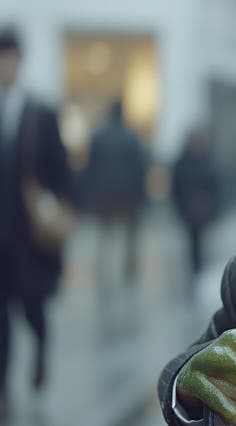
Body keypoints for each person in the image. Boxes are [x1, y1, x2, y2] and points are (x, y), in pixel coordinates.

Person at [0, 27, 76, 418]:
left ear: (19, 60)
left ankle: (42, 352)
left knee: (32, 308)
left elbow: (62, 172)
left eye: (9, 57)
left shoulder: (39, 114)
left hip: (30, 237)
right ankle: (3, 391)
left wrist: (63, 209)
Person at [85, 99, 146, 306]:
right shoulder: (131, 137)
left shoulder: (99, 136)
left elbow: (90, 169)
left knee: (104, 237)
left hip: (104, 195)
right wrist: (141, 196)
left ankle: (104, 276)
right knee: (129, 238)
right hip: (128, 195)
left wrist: (91, 194)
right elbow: (140, 169)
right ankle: (127, 275)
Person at [172, 128, 220, 279]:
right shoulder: (182, 163)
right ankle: (195, 269)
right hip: (189, 210)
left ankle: (200, 269)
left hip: (203, 209)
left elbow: (214, 186)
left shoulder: (205, 161)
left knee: (202, 240)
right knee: (193, 241)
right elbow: (176, 187)